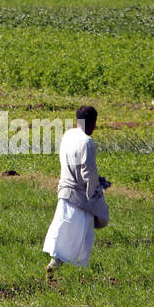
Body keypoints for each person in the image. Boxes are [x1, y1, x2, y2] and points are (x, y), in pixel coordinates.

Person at [43, 105, 111, 281]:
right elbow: (88, 173)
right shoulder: (87, 142)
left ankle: (54, 265)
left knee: (65, 233)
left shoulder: (69, 135)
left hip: (65, 193)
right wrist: (96, 191)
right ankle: (79, 275)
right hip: (80, 198)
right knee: (81, 237)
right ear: (92, 123)